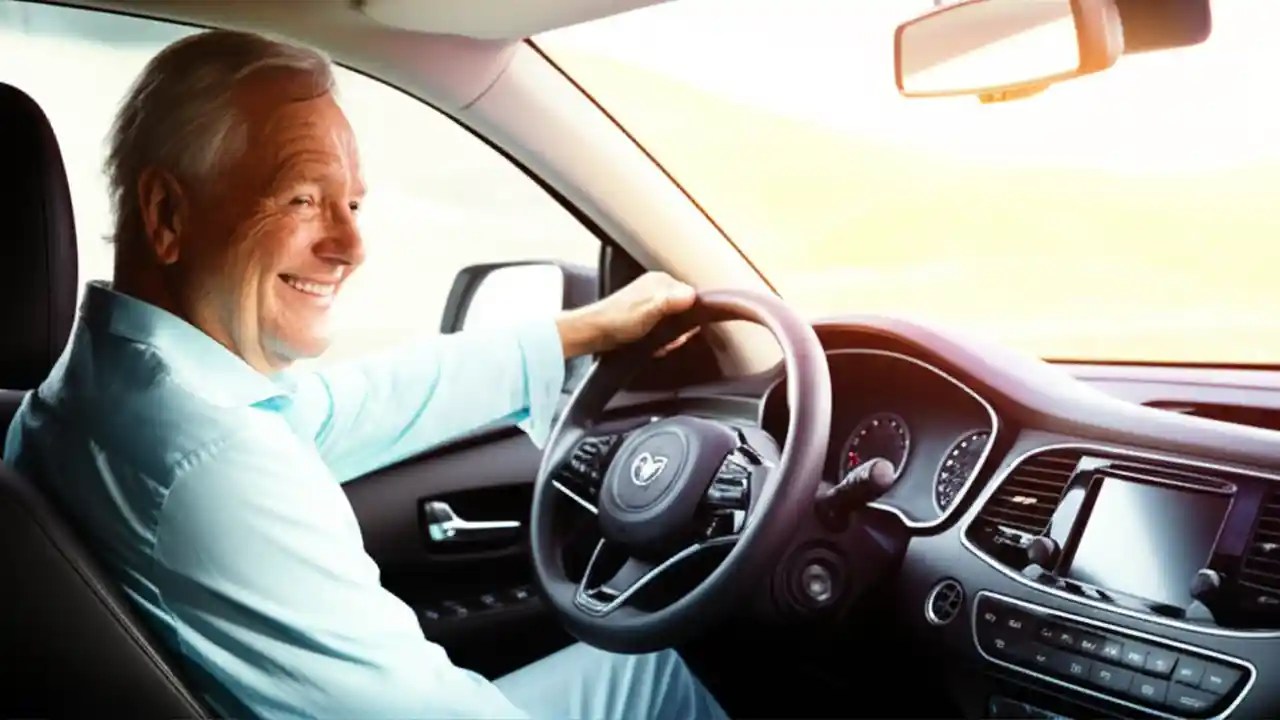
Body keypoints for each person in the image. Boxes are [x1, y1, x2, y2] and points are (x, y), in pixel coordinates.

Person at [3, 28, 727, 720]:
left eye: (351, 203)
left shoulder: (99, 390)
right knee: (660, 666)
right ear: (166, 214)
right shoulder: (209, 461)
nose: (352, 245)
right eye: (302, 198)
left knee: (643, 666)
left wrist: (580, 332)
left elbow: (354, 402)